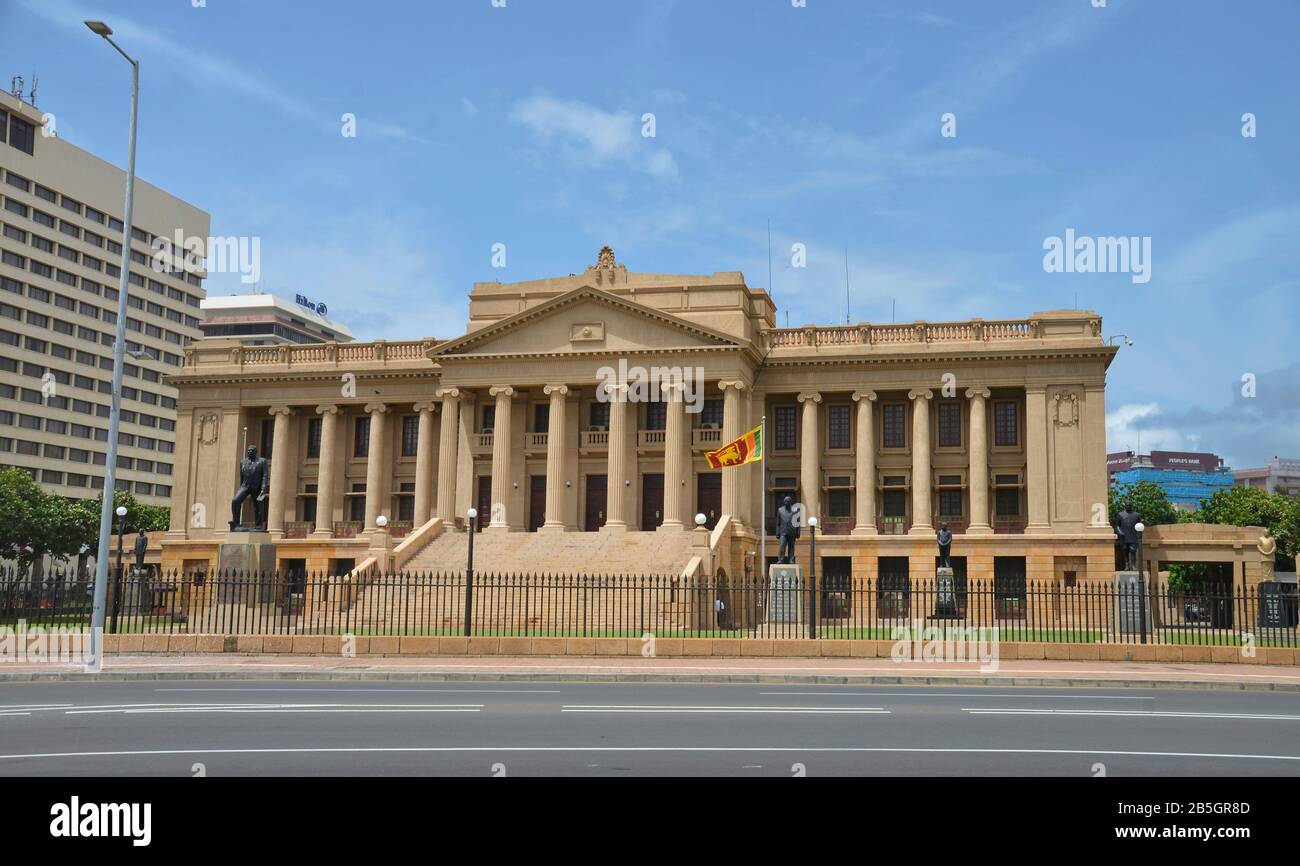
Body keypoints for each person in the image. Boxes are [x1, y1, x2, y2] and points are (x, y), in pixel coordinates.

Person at [776, 496, 801, 564]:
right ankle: (781, 559)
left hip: (792, 532)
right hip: (783, 532)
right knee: (782, 545)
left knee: (791, 547)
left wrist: (798, 533)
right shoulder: (780, 510)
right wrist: (777, 533)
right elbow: (778, 523)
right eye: (785, 501)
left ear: (790, 502)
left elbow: (798, 522)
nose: (786, 502)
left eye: (787, 501)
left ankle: (791, 559)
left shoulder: (796, 510)